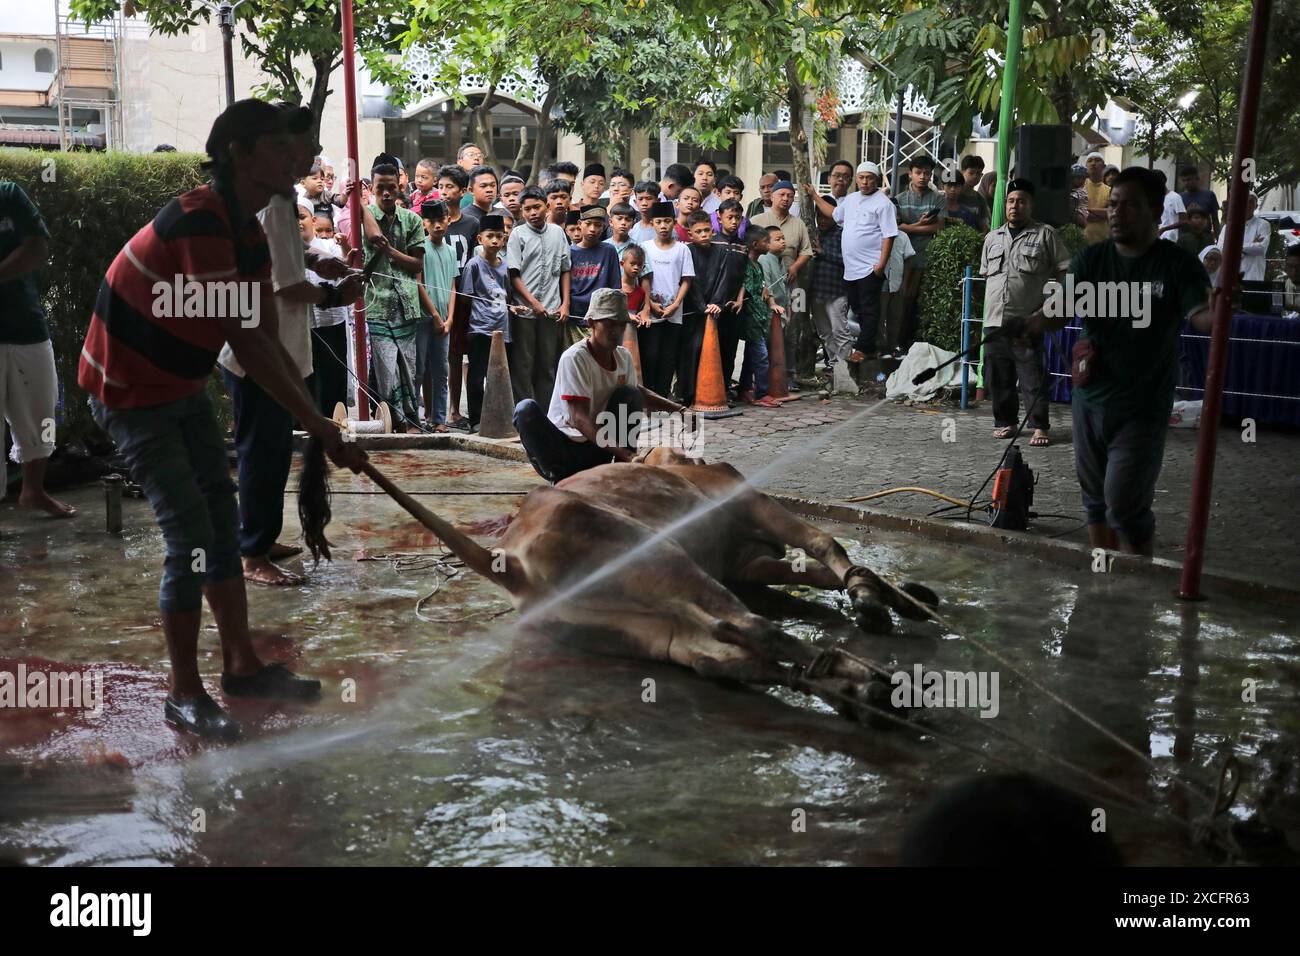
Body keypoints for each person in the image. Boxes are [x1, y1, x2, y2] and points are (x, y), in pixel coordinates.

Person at [78, 99, 367, 740]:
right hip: (130, 391)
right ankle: (183, 692)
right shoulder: (200, 220)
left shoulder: (251, 231)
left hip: (178, 384)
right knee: (191, 536)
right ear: (239, 151)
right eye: (281, 145)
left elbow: (262, 329)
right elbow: (251, 340)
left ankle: (241, 665)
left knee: (219, 514)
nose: (299, 157)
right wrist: (319, 426)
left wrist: (317, 421)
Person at [1027, 166, 1213, 556]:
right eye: (1112, 205)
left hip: (1142, 405)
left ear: (1156, 211)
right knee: (1094, 502)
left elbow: (1203, 319)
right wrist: (1028, 323)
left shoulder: (1177, 265)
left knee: (1124, 505)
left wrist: (1224, 310)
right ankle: (1101, 588)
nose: (1116, 213)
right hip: (1089, 398)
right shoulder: (1091, 260)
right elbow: (1058, 311)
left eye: (1129, 206)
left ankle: (1136, 582)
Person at [222, 118, 366, 588]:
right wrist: (333, 296)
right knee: (262, 452)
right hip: (263, 351)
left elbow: (278, 257)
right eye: (305, 148)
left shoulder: (277, 197)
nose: (312, 158)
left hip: (274, 347)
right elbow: (286, 285)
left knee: (273, 448)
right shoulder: (278, 200)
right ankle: (251, 551)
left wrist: (315, 258)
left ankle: (257, 537)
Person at [513, 287, 688, 484]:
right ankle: (559, 477)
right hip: (565, 451)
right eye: (609, 324)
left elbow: (639, 392)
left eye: (621, 325)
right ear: (591, 323)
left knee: (629, 393)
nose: (616, 331)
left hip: (598, 449)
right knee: (524, 409)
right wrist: (628, 454)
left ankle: (622, 468)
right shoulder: (574, 358)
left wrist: (679, 409)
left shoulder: (623, 357)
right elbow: (579, 419)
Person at [0, 179, 77, 520]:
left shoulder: (8, 194)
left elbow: (37, 248)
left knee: (42, 412)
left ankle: (33, 490)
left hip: (26, 325)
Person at [978, 179, 1071, 448]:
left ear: (1030, 205)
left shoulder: (1045, 235)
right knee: (998, 376)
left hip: (1028, 321)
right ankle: (1005, 422)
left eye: (1021, 201)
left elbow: (1066, 269)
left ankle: (1039, 426)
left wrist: (1049, 307)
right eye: (1010, 201)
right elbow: (988, 277)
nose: (1014, 206)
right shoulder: (992, 238)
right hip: (995, 320)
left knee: (1032, 375)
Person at [360, 162, 426, 434]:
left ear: (400, 187)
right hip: (376, 303)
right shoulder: (364, 219)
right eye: (380, 189)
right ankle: (396, 420)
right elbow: (362, 267)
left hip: (406, 304)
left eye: (391, 188)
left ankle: (412, 419)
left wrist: (390, 251)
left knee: (408, 366)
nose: (386, 193)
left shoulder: (412, 220)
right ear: (373, 190)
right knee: (387, 368)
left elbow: (417, 264)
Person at [808, 161, 897, 363]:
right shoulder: (851, 199)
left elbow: (889, 235)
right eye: (862, 177)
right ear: (856, 180)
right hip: (851, 269)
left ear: (876, 179)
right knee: (857, 308)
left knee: (869, 308)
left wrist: (880, 265)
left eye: (870, 178)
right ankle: (871, 346)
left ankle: (864, 348)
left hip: (870, 267)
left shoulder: (883, 203)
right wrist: (814, 196)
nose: (865, 182)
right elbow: (833, 214)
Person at [506, 185, 571, 407]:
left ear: (547, 206)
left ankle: (547, 413)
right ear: (522, 212)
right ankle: (524, 413)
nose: (533, 213)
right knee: (523, 364)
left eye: (537, 207)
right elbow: (514, 274)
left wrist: (565, 304)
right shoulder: (518, 234)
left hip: (552, 310)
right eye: (527, 209)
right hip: (525, 311)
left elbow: (565, 269)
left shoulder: (558, 233)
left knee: (548, 364)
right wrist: (533, 303)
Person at [460, 214, 520, 430]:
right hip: (480, 329)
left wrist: (512, 307)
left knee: (501, 377)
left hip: (503, 329)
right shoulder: (473, 265)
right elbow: (466, 297)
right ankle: (476, 419)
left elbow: (507, 296)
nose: (495, 241)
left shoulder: (505, 267)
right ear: (480, 239)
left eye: (499, 236)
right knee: (477, 376)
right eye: (490, 236)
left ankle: (502, 419)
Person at [751, 180, 815, 383]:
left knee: (792, 328)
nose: (786, 199)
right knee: (766, 328)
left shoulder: (798, 223)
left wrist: (795, 267)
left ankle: (789, 374)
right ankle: (762, 375)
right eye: (782, 195)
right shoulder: (757, 219)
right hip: (765, 285)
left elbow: (807, 251)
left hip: (793, 286)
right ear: (772, 196)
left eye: (790, 195)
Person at [435, 164, 478, 428]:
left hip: (465, 297)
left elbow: (474, 262)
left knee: (464, 355)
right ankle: (447, 410)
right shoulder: (434, 223)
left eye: (449, 187)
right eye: (441, 186)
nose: (443, 191)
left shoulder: (471, 223)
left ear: (463, 191)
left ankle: (460, 409)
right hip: (440, 295)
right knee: (446, 356)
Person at [639, 200, 694, 397]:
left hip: (674, 312)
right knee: (650, 354)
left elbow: (686, 280)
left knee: (669, 357)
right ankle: (649, 395)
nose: (663, 226)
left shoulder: (682, 249)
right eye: (659, 221)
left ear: (674, 222)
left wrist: (676, 304)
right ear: (652, 223)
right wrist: (650, 303)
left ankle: (663, 397)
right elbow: (642, 278)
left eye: (668, 221)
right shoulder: (644, 248)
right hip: (650, 311)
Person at [894, 154, 946, 352]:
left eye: (927, 173)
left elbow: (939, 228)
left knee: (924, 303)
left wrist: (909, 227)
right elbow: (896, 228)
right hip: (905, 258)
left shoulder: (938, 198)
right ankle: (901, 343)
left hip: (930, 256)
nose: (923, 177)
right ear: (910, 174)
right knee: (904, 300)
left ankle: (921, 345)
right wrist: (918, 225)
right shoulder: (899, 199)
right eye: (918, 173)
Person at [415, 200, 458, 432]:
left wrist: (449, 318)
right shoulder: (420, 247)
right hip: (424, 318)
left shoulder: (451, 250)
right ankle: (415, 417)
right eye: (432, 221)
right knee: (419, 369)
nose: (437, 225)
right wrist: (434, 315)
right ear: (424, 223)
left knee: (442, 370)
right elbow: (418, 283)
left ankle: (439, 419)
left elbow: (453, 286)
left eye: (441, 220)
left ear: (448, 220)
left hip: (445, 320)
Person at [305, 208, 352, 418]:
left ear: (312, 220)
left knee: (333, 375)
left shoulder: (329, 247)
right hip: (301, 325)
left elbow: (345, 271)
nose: (298, 222)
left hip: (331, 322)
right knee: (307, 376)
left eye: (302, 216)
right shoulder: (283, 249)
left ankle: (334, 422)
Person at [738, 229, 784, 407]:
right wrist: (742, 300)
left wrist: (770, 303)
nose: (768, 245)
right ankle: (762, 393)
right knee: (761, 356)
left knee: (751, 356)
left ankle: (744, 388)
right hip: (751, 317)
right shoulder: (749, 264)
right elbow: (746, 287)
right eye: (765, 242)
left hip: (759, 317)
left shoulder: (758, 264)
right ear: (755, 245)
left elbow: (762, 288)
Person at [710, 200, 751, 390]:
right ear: (719, 217)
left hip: (734, 305)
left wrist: (740, 298)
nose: (734, 222)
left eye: (737, 218)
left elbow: (745, 276)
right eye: (729, 217)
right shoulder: (711, 242)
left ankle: (725, 389)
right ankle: (709, 389)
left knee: (730, 350)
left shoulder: (743, 247)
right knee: (711, 348)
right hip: (713, 305)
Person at [810, 196, 852, 366]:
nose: (822, 220)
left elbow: (848, 260)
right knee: (825, 333)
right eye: (818, 216)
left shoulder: (844, 234)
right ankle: (835, 366)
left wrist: (823, 252)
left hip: (837, 291)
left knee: (840, 332)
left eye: (826, 216)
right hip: (816, 292)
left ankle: (847, 371)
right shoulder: (813, 233)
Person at [1219, 191, 1272, 313]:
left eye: (1251, 202)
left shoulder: (1263, 225)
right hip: (1232, 276)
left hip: (1254, 275)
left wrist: (1234, 247)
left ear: (1256, 206)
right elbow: (1221, 250)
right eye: (1245, 202)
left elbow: (1261, 249)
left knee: (1252, 312)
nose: (1247, 205)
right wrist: (1250, 245)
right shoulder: (1229, 226)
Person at [568, 205, 621, 324]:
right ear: (580, 224)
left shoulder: (609, 251)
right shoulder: (569, 252)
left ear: (604, 227)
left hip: (601, 315)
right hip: (574, 315)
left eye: (598, 225)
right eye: (588, 223)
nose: (592, 229)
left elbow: (615, 286)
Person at [1178, 166, 1220, 233]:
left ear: (1197, 179)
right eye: (1184, 180)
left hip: (1205, 237)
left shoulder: (1209, 195)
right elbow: (1177, 220)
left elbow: (1215, 219)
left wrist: (1218, 238)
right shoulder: (1179, 198)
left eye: (1188, 180)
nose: (1186, 183)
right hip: (1185, 238)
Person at [1082, 151, 1111, 245]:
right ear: (1086, 166)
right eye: (1090, 161)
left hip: (1103, 241)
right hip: (1080, 241)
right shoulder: (1079, 187)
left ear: (1104, 166)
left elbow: (1111, 213)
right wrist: (1101, 213)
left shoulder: (1110, 190)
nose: (1093, 163)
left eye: (1097, 160)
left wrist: (1085, 211)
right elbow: (1075, 212)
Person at [958, 154, 991, 231]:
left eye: (979, 173)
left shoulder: (980, 199)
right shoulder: (953, 194)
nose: (975, 176)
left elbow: (985, 224)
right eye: (971, 173)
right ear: (962, 172)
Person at [1155, 169, 1186, 241]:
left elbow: (1184, 221)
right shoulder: (1154, 198)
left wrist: (1163, 229)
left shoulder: (1175, 197)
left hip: (1170, 239)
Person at [1069, 164, 1089, 228]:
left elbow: (1071, 201)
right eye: (1078, 178)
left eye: (1083, 179)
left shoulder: (1082, 191)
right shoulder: (1071, 189)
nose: (1081, 181)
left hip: (1080, 214)